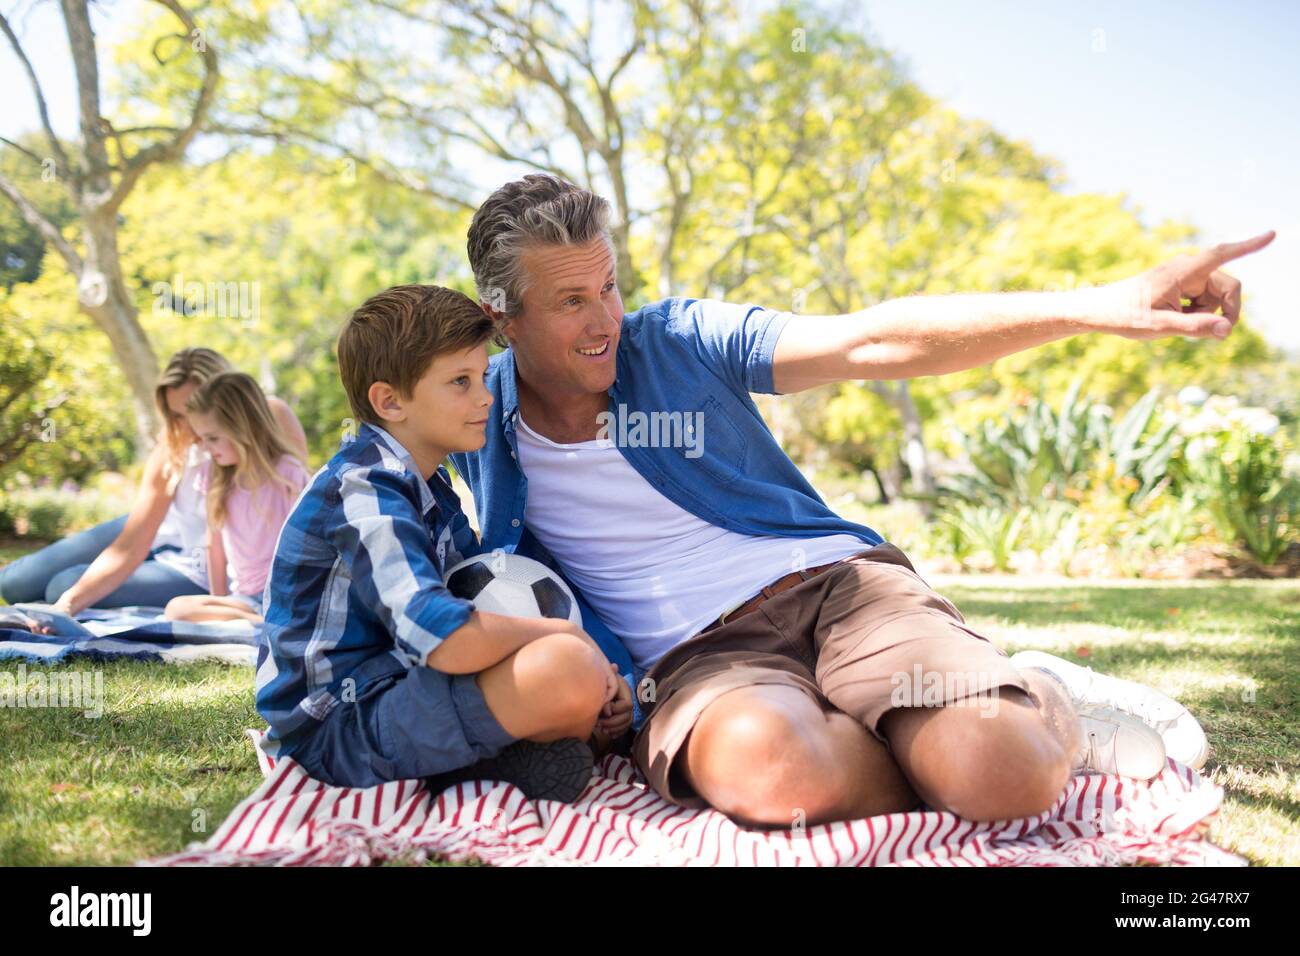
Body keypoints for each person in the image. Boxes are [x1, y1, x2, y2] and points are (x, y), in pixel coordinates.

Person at [450, 174, 1262, 825]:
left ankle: (1037, 696)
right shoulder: (470, 414)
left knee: (999, 771)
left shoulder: (679, 338)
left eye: (609, 287)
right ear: (501, 317)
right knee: (775, 769)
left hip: (842, 592)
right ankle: (936, 730)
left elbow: (871, 338)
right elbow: (381, 502)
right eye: (571, 302)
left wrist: (1097, 306)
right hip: (696, 663)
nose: (606, 320)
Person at [255, 284, 632, 803]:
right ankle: (478, 768)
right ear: (390, 401)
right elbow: (443, 637)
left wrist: (594, 676)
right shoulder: (365, 490)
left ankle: (505, 756)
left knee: (573, 677)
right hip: (333, 732)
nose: (486, 397)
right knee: (566, 667)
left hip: (406, 692)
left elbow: (476, 602)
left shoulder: (431, 487)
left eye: (481, 376)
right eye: (460, 382)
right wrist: (566, 637)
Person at [0, 348, 308, 612]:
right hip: (159, 530)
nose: (189, 427)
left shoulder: (272, 416)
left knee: (63, 586)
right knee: (14, 583)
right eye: (176, 415)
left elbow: (294, 506)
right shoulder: (174, 441)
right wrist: (68, 604)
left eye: (191, 410)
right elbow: (132, 543)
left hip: (197, 563)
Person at [163, 372, 310, 624]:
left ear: (244, 428)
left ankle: (264, 621)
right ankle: (257, 622)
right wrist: (218, 602)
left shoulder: (287, 473)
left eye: (213, 438)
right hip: (244, 599)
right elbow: (214, 547)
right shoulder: (216, 476)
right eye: (202, 438)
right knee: (176, 608)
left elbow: (307, 547)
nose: (206, 447)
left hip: (287, 595)